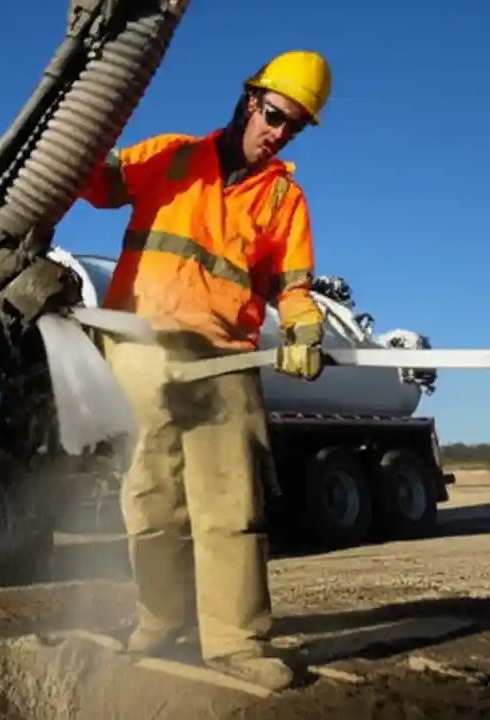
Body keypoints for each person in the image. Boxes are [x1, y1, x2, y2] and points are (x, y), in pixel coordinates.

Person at [75, 50, 333, 691]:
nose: (278, 131)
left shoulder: (283, 198)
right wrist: (80, 131)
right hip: (143, 349)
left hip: (224, 360)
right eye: (274, 114)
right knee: (151, 504)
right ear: (250, 101)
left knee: (229, 510)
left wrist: (304, 330)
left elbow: (294, 287)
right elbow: (99, 185)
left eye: (293, 125)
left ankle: (236, 643)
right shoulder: (172, 156)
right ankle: (159, 622)